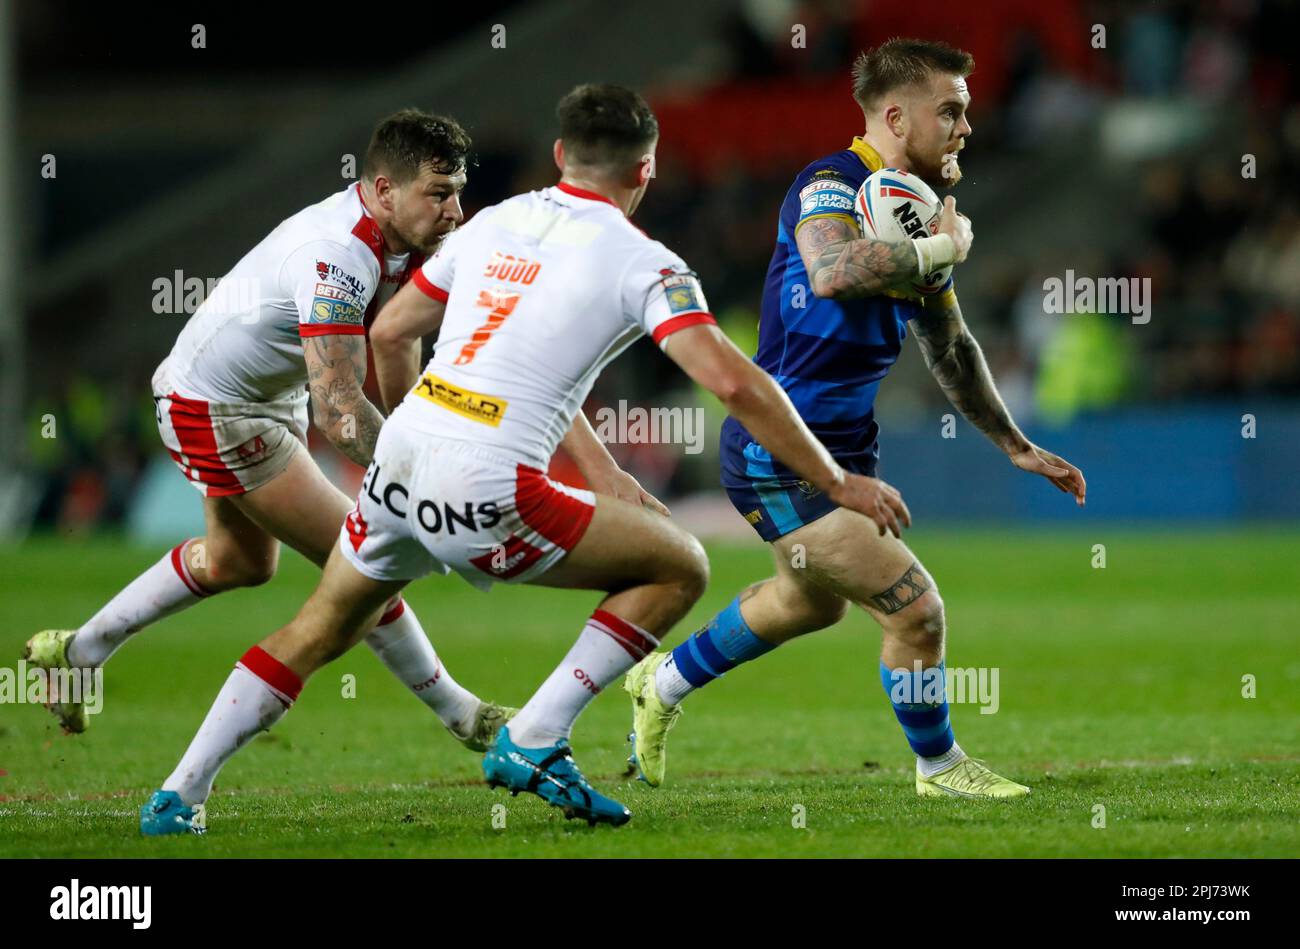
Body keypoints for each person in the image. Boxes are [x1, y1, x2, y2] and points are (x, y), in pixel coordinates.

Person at [138, 83, 909, 833]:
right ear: (646, 169)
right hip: (488, 485)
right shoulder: (649, 263)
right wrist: (837, 479)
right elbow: (736, 382)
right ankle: (536, 736)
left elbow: (391, 331)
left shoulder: (493, 222)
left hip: (398, 462)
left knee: (315, 628)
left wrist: (578, 468)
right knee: (682, 566)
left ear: (559, 153)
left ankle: (179, 792)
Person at [624, 38, 1086, 799]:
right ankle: (939, 768)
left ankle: (662, 682)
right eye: (952, 111)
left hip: (843, 443)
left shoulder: (915, 207)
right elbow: (832, 270)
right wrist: (942, 246)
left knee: (807, 603)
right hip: (782, 444)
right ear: (897, 116)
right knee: (918, 611)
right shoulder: (830, 183)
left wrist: (1014, 443)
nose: (967, 127)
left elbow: (950, 344)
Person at [27, 111, 512, 755]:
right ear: (385, 190)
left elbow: (397, 340)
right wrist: (420, 490)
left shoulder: (411, 239)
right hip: (214, 407)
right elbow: (338, 412)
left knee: (240, 563)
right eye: (440, 193)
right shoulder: (335, 259)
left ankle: (80, 650)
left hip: (259, 394)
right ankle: (464, 715)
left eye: (457, 191)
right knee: (359, 559)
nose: (455, 211)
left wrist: (413, 446)